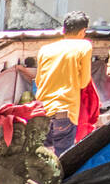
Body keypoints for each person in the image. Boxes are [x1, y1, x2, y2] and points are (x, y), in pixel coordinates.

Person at [34, 12, 93, 155]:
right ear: (82, 31)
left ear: (64, 30)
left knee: (42, 157)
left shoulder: (45, 49)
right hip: (64, 111)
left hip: (42, 110)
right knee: (63, 157)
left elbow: (38, 80)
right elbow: (84, 82)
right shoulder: (84, 46)